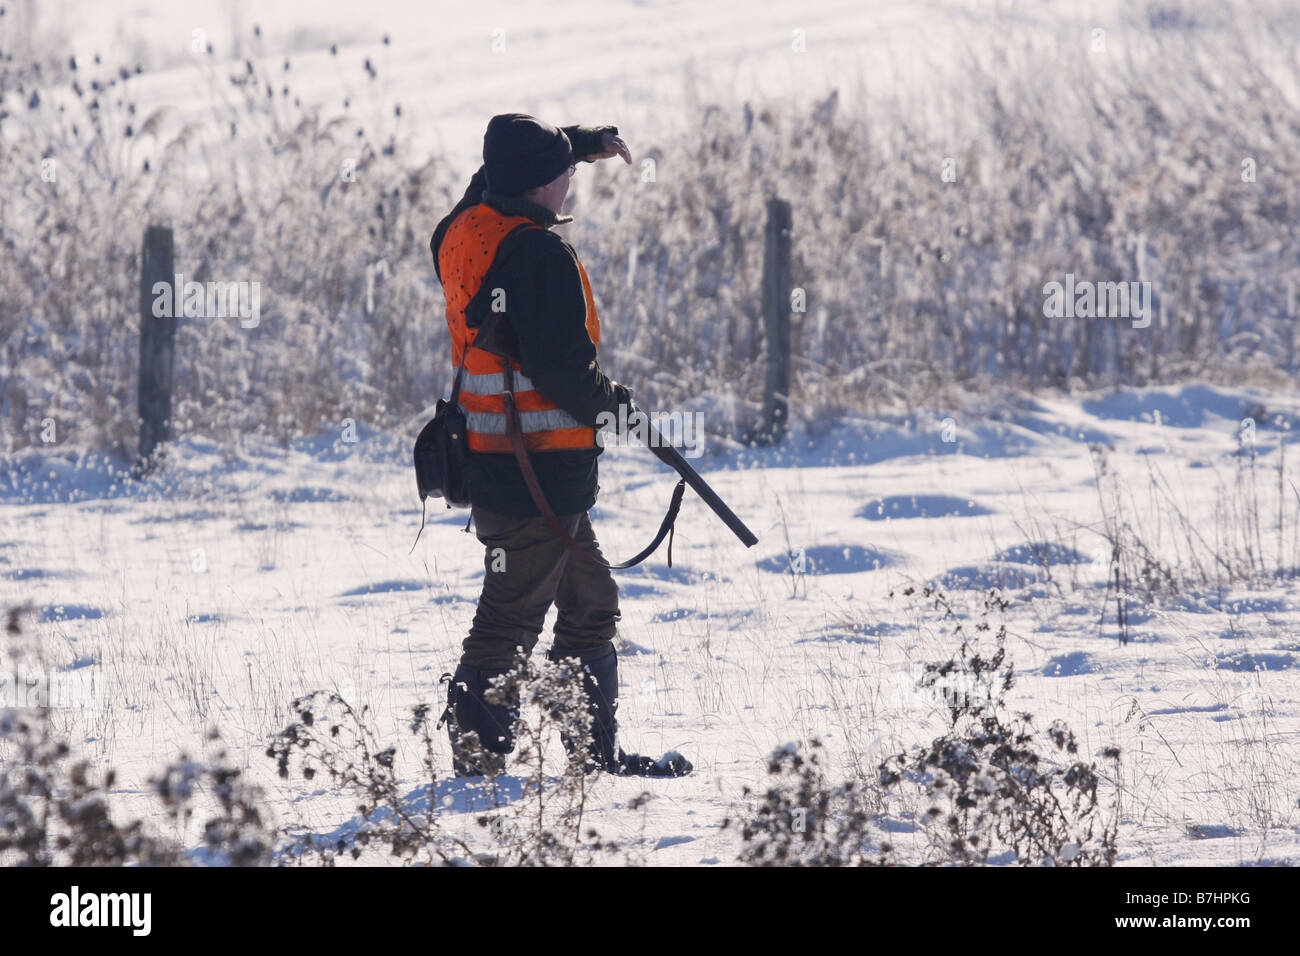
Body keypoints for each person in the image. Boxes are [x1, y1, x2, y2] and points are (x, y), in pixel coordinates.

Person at [429, 113, 691, 778]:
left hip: (499, 460)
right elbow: (565, 374)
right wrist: (619, 407)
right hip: (535, 470)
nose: (571, 179)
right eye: (564, 172)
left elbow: (491, 174)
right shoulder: (540, 256)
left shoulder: (462, 227)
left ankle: (593, 756)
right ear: (545, 186)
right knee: (507, 622)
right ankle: (474, 767)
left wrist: (572, 144)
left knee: (590, 603)